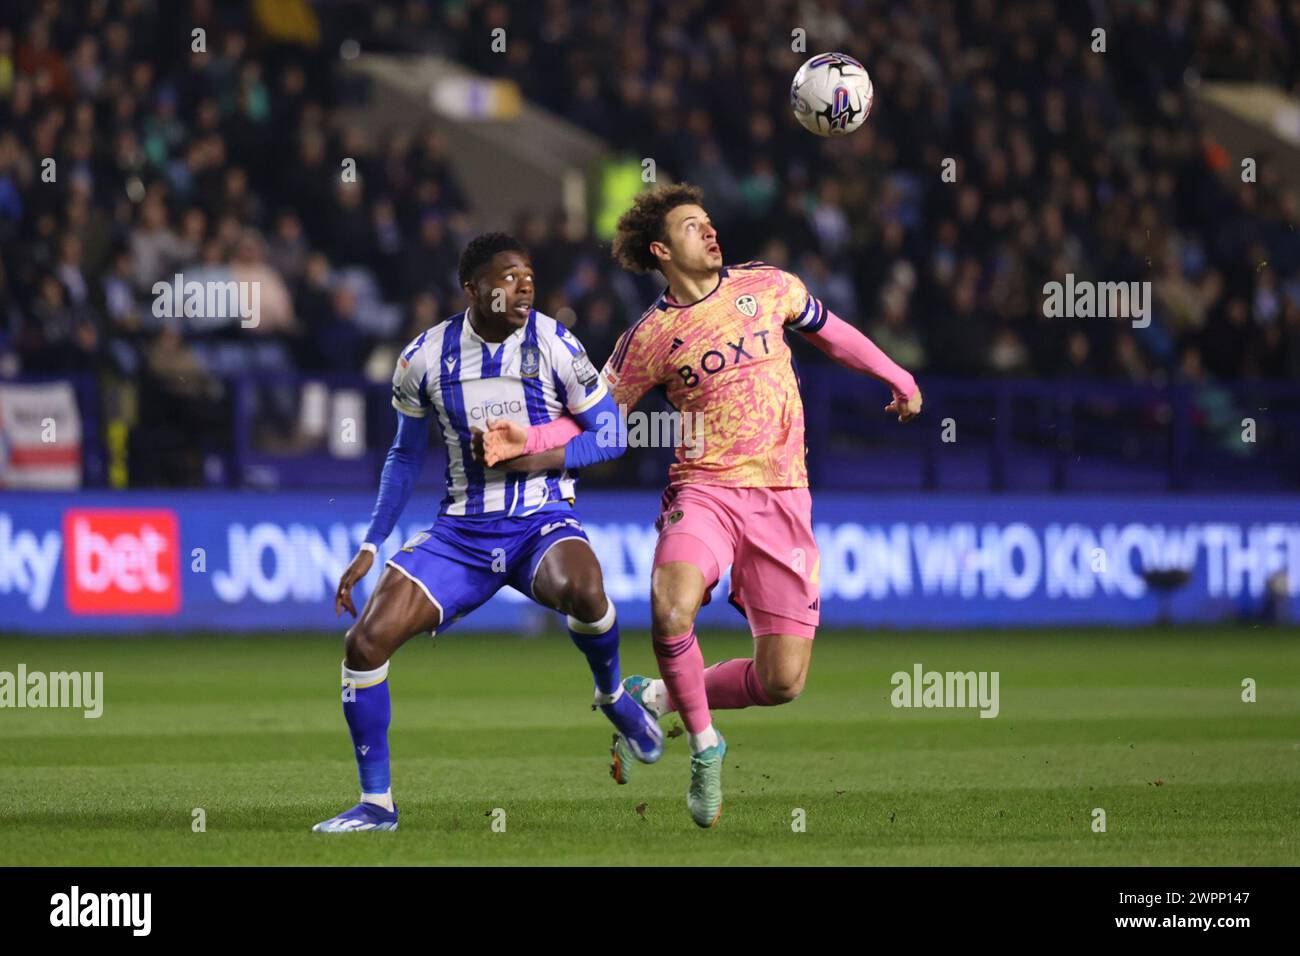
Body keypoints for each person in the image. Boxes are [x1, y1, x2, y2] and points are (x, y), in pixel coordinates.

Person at [484, 185, 922, 827]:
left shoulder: (770, 286)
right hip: (705, 493)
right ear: (662, 249)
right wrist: (532, 439)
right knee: (670, 606)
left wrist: (897, 375)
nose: (711, 232)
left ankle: (655, 695)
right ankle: (705, 745)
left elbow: (834, 335)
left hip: (783, 500)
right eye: (693, 227)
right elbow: (597, 426)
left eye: (710, 223)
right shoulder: (650, 337)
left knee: (782, 682)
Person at [313, 232, 661, 833]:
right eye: (507, 277)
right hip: (460, 535)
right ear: (472, 288)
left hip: (539, 520)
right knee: (363, 644)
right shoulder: (423, 356)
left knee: (584, 588)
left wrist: (536, 461)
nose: (524, 285)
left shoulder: (554, 342)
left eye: (528, 274)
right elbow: (402, 458)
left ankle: (612, 697)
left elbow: (613, 434)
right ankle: (376, 805)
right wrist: (372, 543)